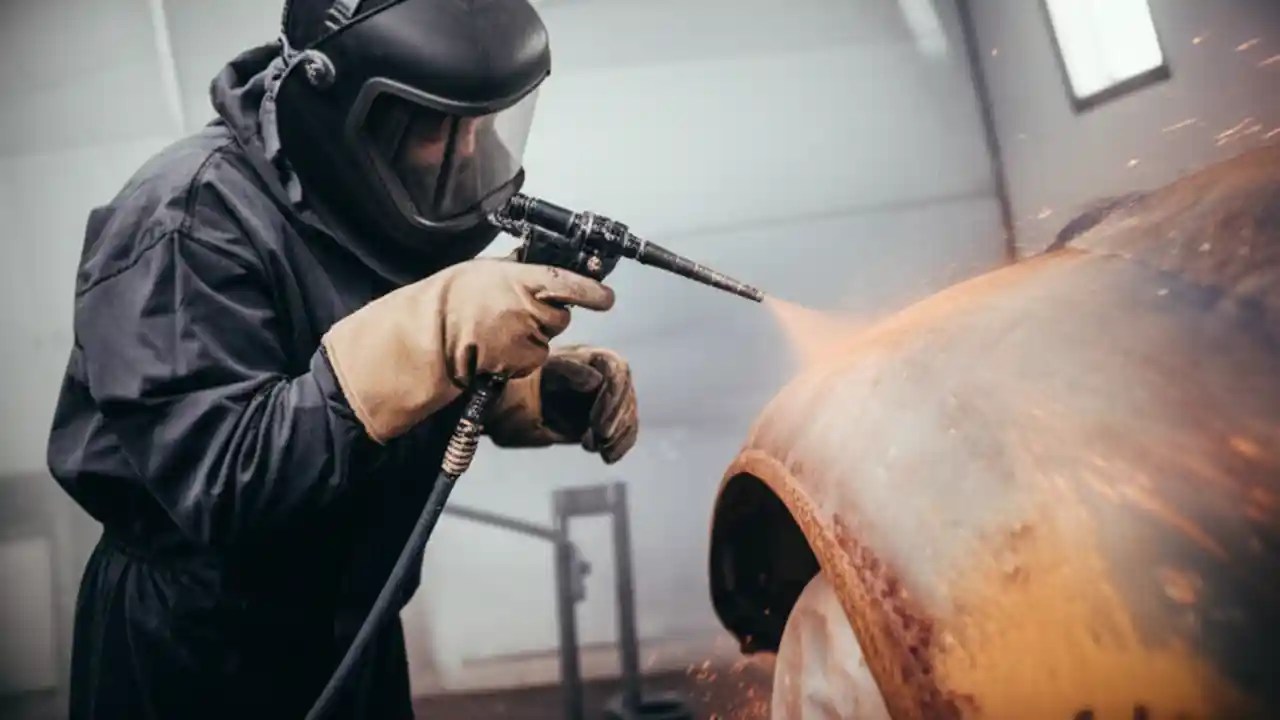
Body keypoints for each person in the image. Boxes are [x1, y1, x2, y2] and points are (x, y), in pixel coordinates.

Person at [44, 0, 638, 717]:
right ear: (342, 106)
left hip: (353, 629)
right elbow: (226, 477)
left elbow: (350, 369)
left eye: (483, 127)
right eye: (439, 130)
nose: (468, 154)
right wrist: (437, 332)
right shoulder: (186, 221)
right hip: (196, 653)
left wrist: (523, 391)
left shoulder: (366, 195)